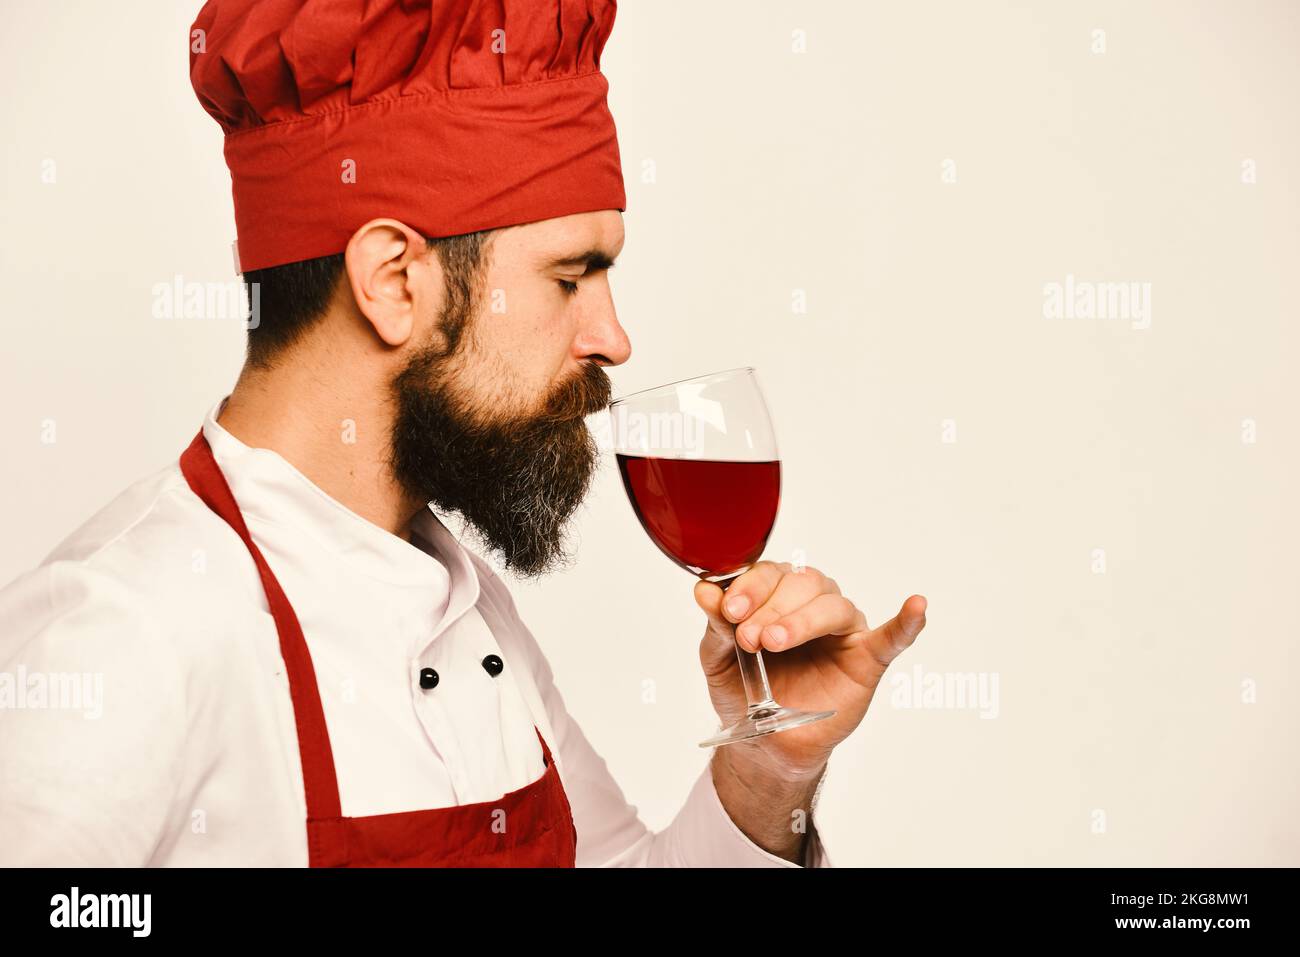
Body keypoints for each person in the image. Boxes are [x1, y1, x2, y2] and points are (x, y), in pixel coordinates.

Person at [0, 0, 927, 867]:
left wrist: (767, 776)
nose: (613, 337)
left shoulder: (464, 599)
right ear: (395, 280)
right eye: (573, 276)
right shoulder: (122, 634)